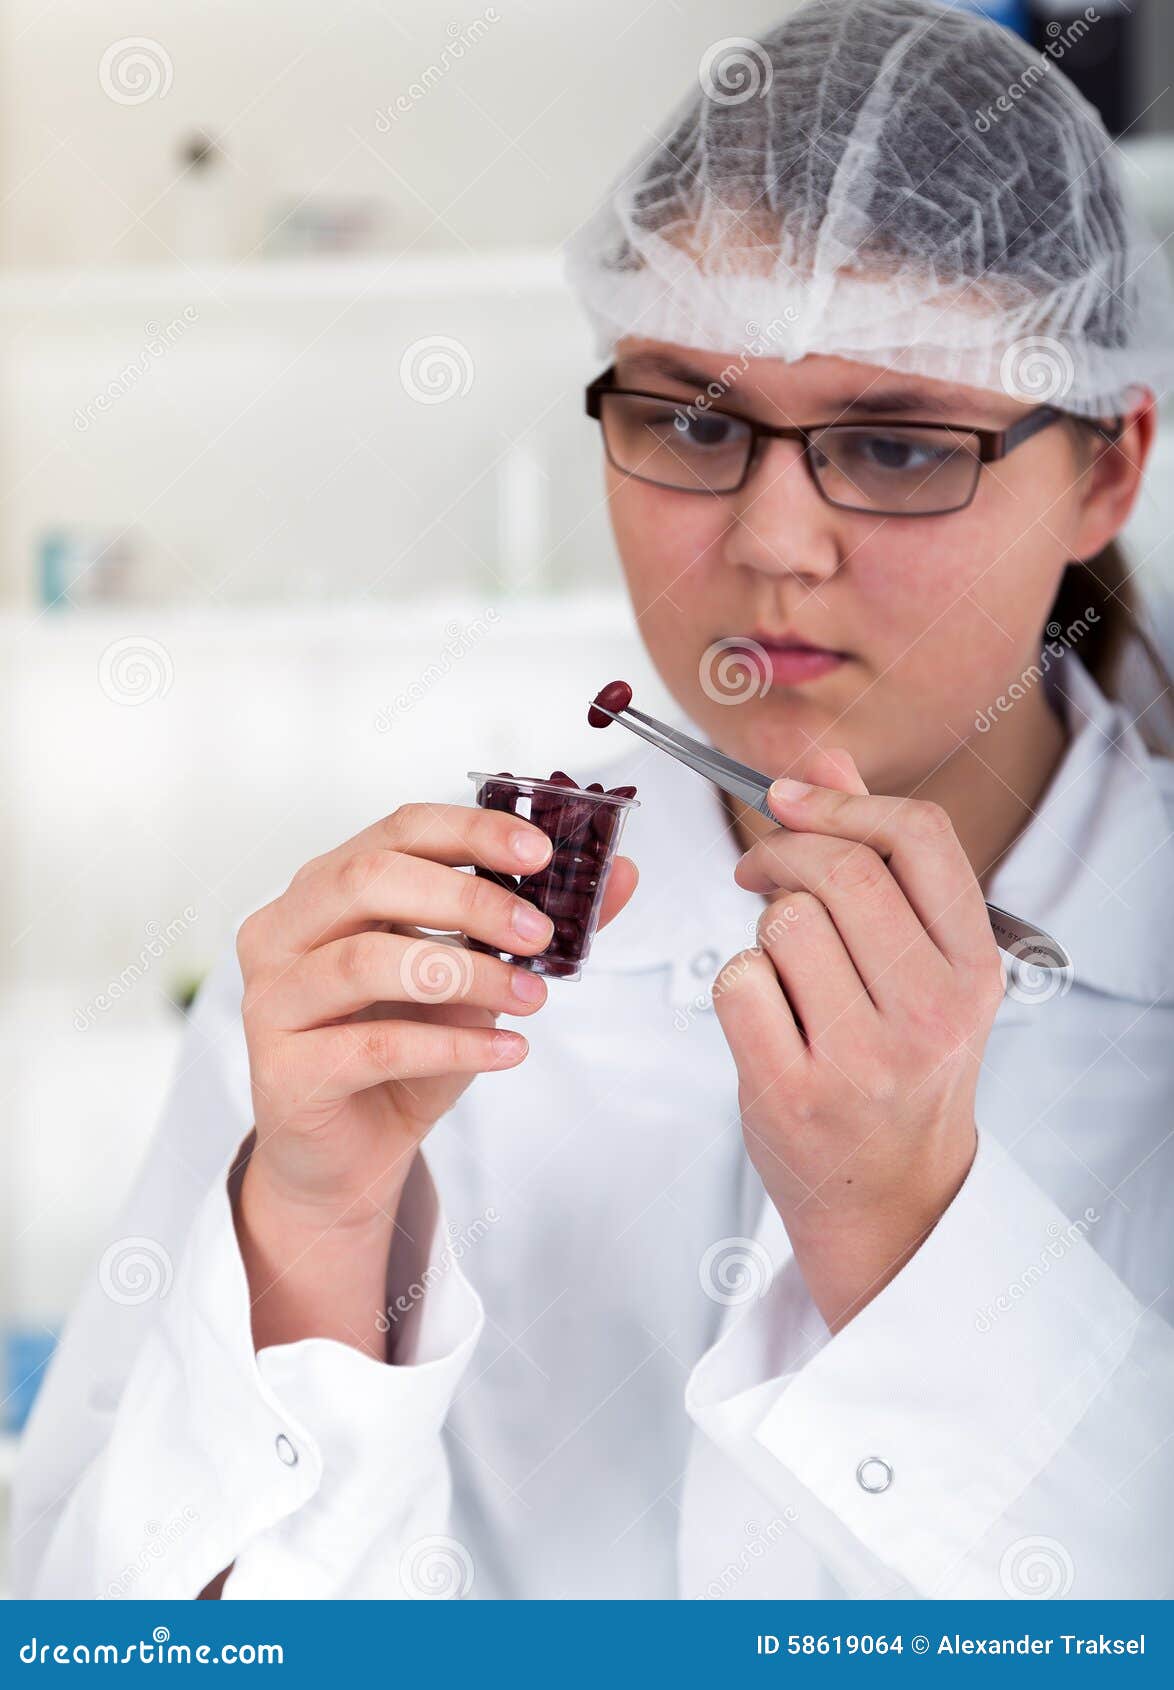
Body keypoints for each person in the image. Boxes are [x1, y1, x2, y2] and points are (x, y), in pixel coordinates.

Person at [14, 0, 1174, 1600]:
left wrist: (916, 1234)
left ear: (1110, 463)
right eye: (692, 420)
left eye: (898, 447)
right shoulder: (391, 970)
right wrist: (312, 1242)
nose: (775, 542)